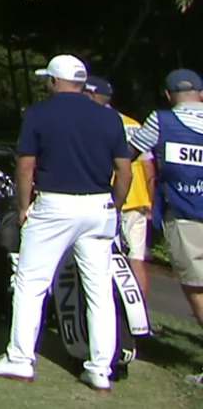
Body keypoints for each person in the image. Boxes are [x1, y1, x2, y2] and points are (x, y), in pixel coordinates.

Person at [0, 55, 132, 392]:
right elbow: (125, 172)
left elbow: (25, 167)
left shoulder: (39, 114)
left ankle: (20, 359)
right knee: (99, 289)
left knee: (31, 282)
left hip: (54, 205)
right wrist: (114, 208)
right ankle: (100, 368)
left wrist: (22, 207)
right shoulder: (109, 118)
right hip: (99, 207)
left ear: (53, 81)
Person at [125, 68, 203, 388]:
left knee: (197, 288)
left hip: (185, 215)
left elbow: (129, 152)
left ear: (169, 96)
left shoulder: (161, 121)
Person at [85, 75, 156, 299]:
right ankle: (140, 312)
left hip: (108, 197)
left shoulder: (95, 122)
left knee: (103, 257)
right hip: (138, 199)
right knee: (137, 259)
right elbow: (149, 168)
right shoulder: (134, 124)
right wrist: (151, 201)